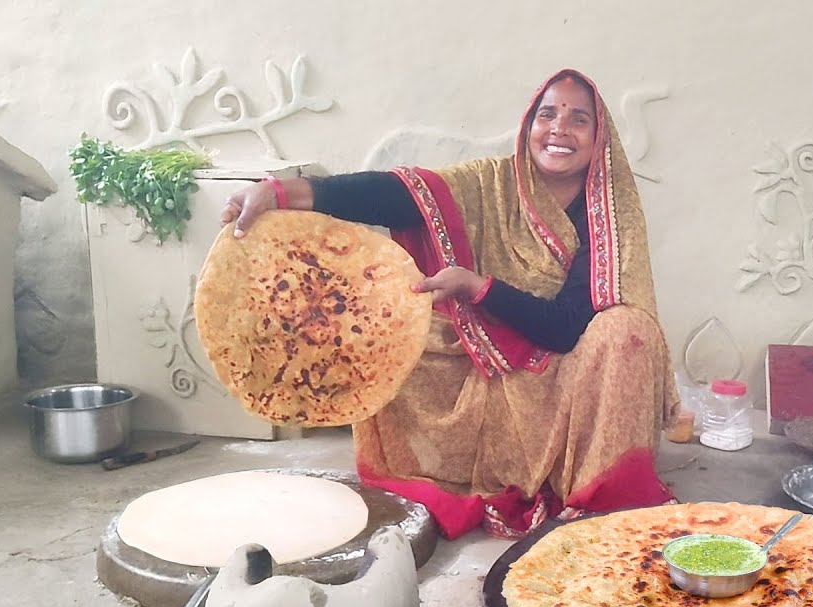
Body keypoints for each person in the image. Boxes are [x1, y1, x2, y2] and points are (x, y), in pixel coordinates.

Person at [221, 69, 679, 539]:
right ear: (528, 126)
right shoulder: (491, 183)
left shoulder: (610, 213)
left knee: (628, 331)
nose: (559, 127)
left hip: (568, 375)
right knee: (391, 333)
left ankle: (600, 491)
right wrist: (281, 191)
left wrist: (479, 287)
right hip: (482, 361)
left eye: (578, 118)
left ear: (599, 138)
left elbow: (565, 328)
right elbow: (398, 195)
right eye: (547, 114)